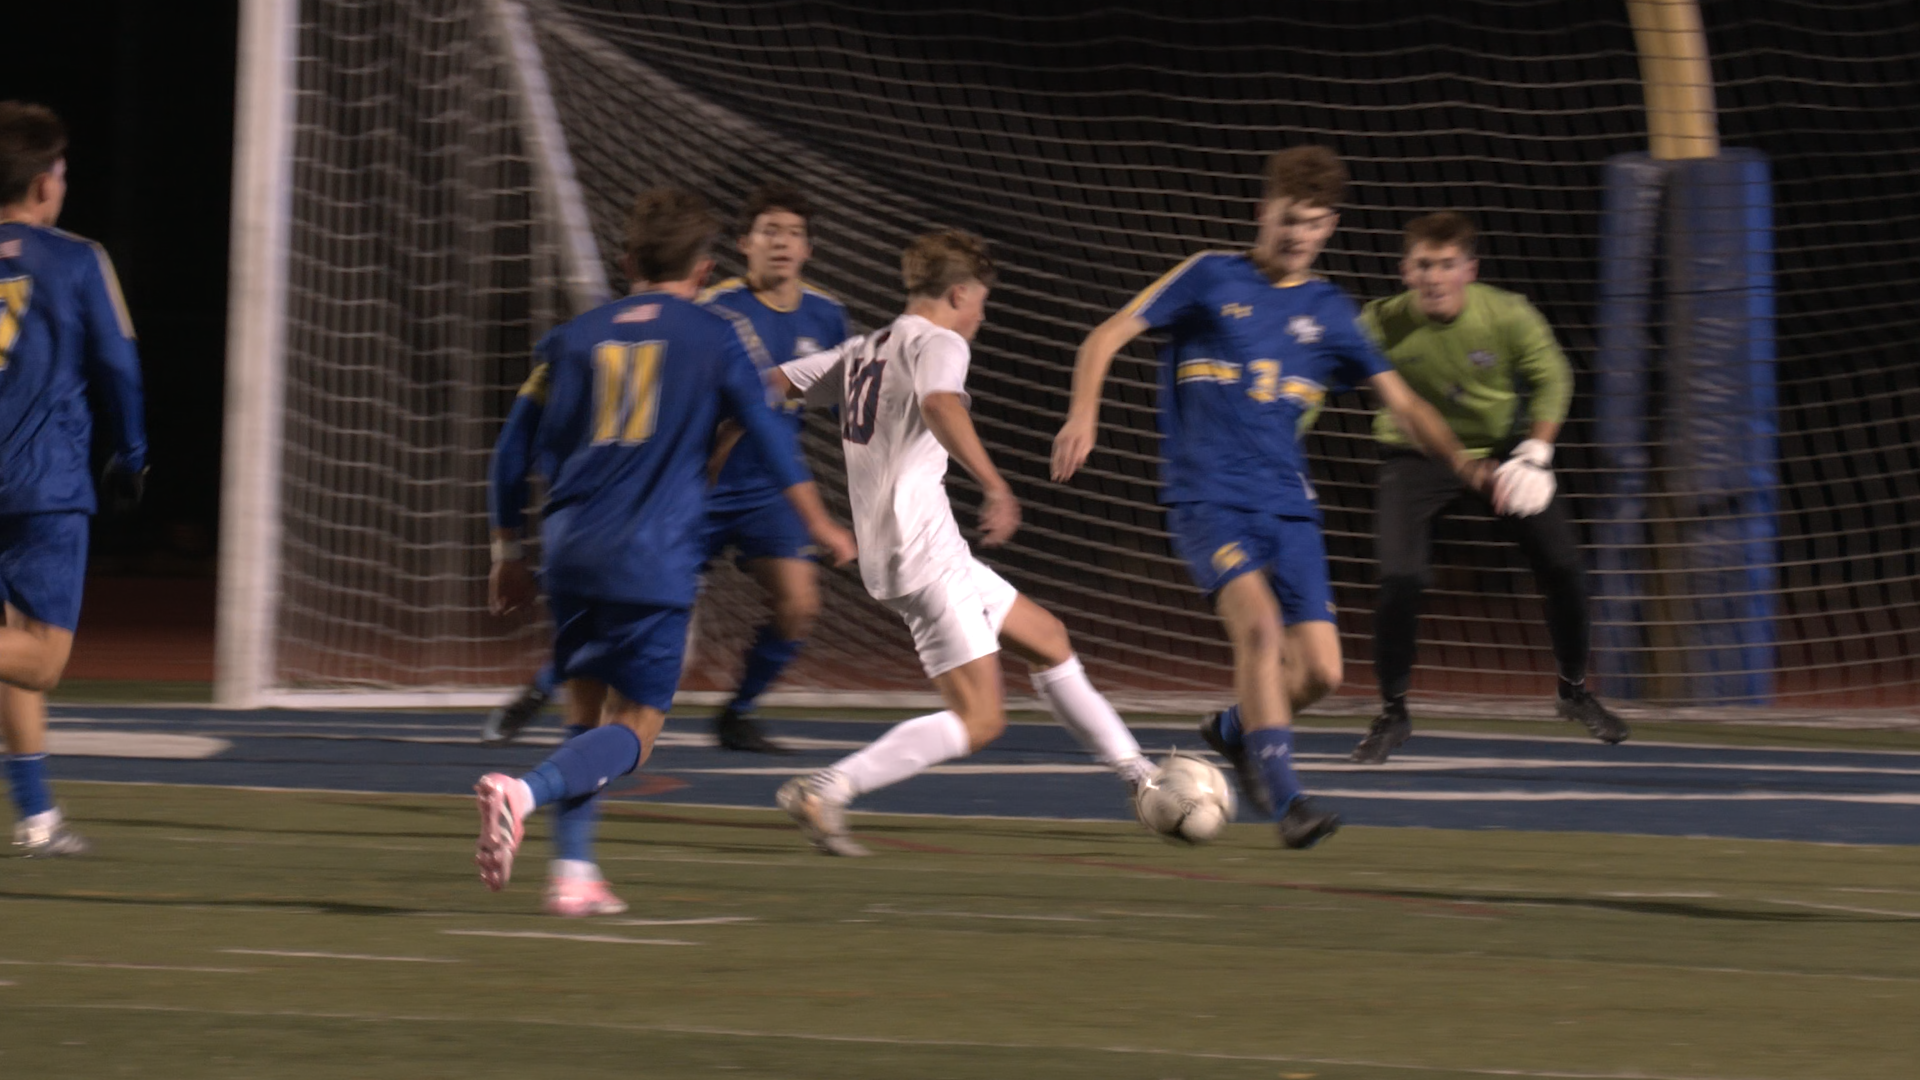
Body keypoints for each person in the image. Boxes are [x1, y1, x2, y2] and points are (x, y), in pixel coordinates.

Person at [1051, 146, 1491, 849]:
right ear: (1264, 212)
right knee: (1258, 630)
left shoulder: (1331, 312)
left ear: (1330, 227)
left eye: (1313, 223)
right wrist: (1084, 415)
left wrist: (1465, 464)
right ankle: (1290, 805)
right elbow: (1104, 338)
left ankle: (1233, 730)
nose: (1298, 235)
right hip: (1207, 501)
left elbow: (1405, 406)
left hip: (1289, 509)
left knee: (1321, 672)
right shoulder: (1209, 275)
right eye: (1289, 219)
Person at [475, 187, 855, 916]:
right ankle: (521, 792)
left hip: (571, 548)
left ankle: (574, 874)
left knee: (586, 714)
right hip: (652, 551)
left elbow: (510, 453)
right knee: (637, 731)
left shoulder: (571, 338)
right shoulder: (718, 333)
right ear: (705, 267)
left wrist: (506, 551)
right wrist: (822, 523)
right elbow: (771, 436)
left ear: (627, 262)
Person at [770, 230, 1155, 857]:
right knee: (980, 720)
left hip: (906, 549)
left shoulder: (866, 347)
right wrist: (996, 486)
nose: (981, 316)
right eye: (981, 301)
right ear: (957, 294)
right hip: (922, 550)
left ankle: (1142, 778)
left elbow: (770, 383)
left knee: (1047, 637)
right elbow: (942, 404)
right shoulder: (940, 341)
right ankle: (828, 787)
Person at [1351, 210, 1627, 764]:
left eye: (1446, 264)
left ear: (1469, 270)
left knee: (1564, 566)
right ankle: (1393, 711)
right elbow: (1341, 388)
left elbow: (1554, 377)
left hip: (1503, 452)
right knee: (1400, 578)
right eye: (1423, 265)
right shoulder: (1377, 323)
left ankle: (1573, 691)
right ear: (1405, 271)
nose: (1434, 277)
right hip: (1417, 453)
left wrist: (1536, 452)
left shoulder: (1507, 314)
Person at [0, 102, 148, 858]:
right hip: (42, 485)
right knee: (44, 660)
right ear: (44, 184)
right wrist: (133, 453)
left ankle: (37, 817)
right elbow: (119, 363)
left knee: (11, 647)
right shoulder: (79, 258)